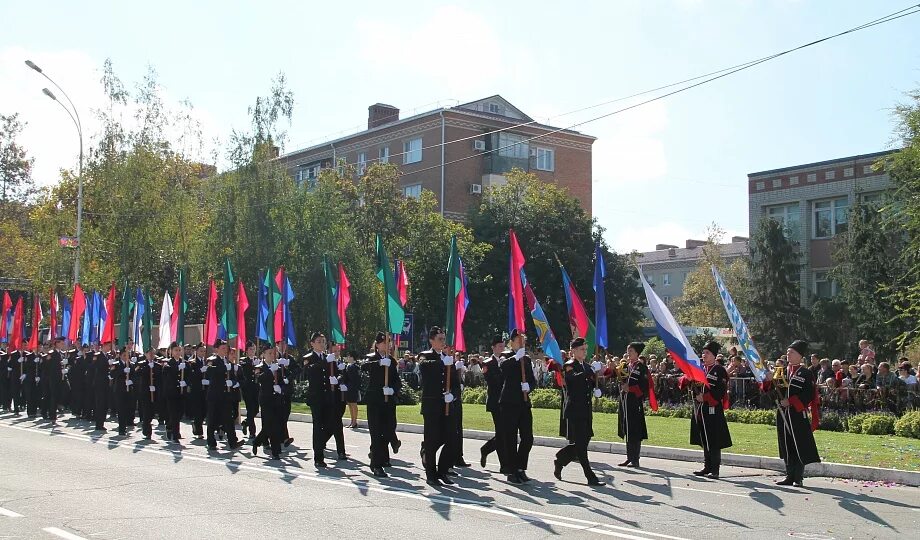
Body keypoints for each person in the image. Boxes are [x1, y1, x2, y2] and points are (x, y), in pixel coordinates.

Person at [764, 339, 821, 487]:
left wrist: (791, 401)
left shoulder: (806, 373)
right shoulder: (781, 371)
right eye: (788, 351)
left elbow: (809, 394)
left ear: (800, 356)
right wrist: (769, 381)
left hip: (797, 414)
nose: (788, 354)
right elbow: (772, 391)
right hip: (783, 414)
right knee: (786, 444)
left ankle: (798, 477)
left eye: (792, 352)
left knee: (798, 444)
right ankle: (789, 475)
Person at [553, 337, 604, 486]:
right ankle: (591, 477)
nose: (585, 352)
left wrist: (598, 389)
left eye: (585, 349)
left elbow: (594, 383)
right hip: (575, 410)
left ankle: (560, 460)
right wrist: (590, 371)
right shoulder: (569, 365)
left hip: (586, 410)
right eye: (582, 349)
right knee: (581, 446)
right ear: (574, 351)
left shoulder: (587, 366)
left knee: (583, 442)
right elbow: (574, 380)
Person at [418, 326, 460, 486]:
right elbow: (424, 366)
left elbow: (455, 383)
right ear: (431, 340)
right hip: (432, 405)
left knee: (451, 437)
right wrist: (441, 362)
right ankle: (431, 474)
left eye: (444, 339)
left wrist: (453, 395)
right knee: (432, 438)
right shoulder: (425, 356)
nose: (443, 342)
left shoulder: (447, 358)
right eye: (440, 339)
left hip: (447, 404)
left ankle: (442, 470)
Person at [688, 341, 732, 479]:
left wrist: (706, 397)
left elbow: (721, 390)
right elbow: (693, 386)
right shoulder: (700, 369)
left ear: (714, 355)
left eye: (707, 353)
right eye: (703, 353)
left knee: (713, 439)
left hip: (713, 408)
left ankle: (715, 470)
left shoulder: (719, 370)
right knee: (704, 438)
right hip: (700, 409)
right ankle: (707, 467)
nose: (704, 355)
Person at [498, 329, 536, 484]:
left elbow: (532, 380)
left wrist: (529, 387)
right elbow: (503, 368)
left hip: (523, 402)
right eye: (519, 341)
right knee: (510, 438)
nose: (522, 344)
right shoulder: (506, 356)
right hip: (509, 402)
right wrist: (515, 358)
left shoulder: (526, 359)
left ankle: (520, 467)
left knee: (528, 437)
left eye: (524, 342)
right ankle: (511, 470)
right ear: (512, 342)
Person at [303, 332, 346, 467]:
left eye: (323, 341)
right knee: (318, 426)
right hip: (316, 397)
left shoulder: (329, 358)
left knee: (330, 424)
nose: (322, 344)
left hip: (328, 397)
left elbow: (337, 374)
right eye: (319, 341)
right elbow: (309, 371)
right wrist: (325, 362)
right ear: (312, 344)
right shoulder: (309, 358)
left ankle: (320, 445)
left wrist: (338, 377)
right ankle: (318, 457)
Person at [362, 332, 402, 477]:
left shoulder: (391, 361)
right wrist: (378, 363)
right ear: (377, 345)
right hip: (375, 400)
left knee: (389, 429)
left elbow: (397, 381)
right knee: (376, 432)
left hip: (388, 400)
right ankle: (376, 465)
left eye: (389, 342)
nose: (387, 345)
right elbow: (363, 367)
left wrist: (393, 389)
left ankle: (383, 457)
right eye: (384, 342)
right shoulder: (371, 358)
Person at [205, 340, 243, 450]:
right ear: (216, 349)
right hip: (215, 395)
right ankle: (211, 442)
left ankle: (232, 441)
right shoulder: (212, 360)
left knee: (229, 419)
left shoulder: (228, 362)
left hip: (226, 396)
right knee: (212, 419)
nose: (225, 350)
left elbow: (232, 377)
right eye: (223, 348)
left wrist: (233, 382)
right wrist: (224, 368)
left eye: (226, 348)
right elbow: (210, 373)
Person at [618, 341, 649, 468]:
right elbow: (621, 380)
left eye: (630, 351)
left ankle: (635, 459)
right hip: (625, 402)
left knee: (635, 430)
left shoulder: (641, 367)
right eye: (627, 350)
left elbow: (644, 387)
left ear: (637, 353)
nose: (628, 353)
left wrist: (630, 389)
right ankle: (629, 457)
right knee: (627, 428)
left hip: (635, 403)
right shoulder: (625, 366)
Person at [478, 335, 506, 470]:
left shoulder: (508, 360)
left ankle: (486, 449)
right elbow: (492, 381)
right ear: (493, 348)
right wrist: (501, 368)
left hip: (507, 401)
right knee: (501, 432)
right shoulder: (487, 363)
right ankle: (503, 464)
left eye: (503, 346)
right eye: (499, 346)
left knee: (504, 433)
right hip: (495, 401)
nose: (502, 349)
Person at [252, 346, 284, 460]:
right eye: (269, 353)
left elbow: (282, 381)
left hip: (277, 399)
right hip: (266, 399)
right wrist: (270, 371)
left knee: (275, 424)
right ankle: (275, 452)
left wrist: (281, 388)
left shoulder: (277, 367)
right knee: (270, 424)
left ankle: (257, 441)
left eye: (274, 353)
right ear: (263, 355)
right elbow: (258, 379)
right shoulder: (259, 367)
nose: (272, 355)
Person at [135, 347, 161, 440]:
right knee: (146, 412)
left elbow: (160, 377)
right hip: (145, 392)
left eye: (153, 353)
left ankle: (147, 424)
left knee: (152, 412)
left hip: (155, 392)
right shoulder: (141, 364)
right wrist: (147, 368)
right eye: (149, 353)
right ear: (145, 354)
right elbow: (137, 374)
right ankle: (147, 431)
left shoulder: (158, 365)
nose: (151, 355)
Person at [239, 342, 260, 439]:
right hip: (247, 388)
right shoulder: (243, 360)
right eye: (250, 349)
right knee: (250, 409)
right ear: (246, 351)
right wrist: (253, 365)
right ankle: (252, 432)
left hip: (256, 388)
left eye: (254, 349)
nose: (252, 351)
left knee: (255, 409)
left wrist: (259, 364)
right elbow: (244, 369)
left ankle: (246, 422)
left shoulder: (258, 360)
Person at [343, 352, 361, 429]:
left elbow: (356, 379)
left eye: (349, 356)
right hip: (348, 388)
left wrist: (353, 387)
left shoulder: (355, 367)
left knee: (353, 404)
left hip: (353, 388)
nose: (347, 358)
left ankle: (354, 421)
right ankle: (352, 421)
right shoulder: (348, 366)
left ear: (352, 357)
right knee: (350, 404)